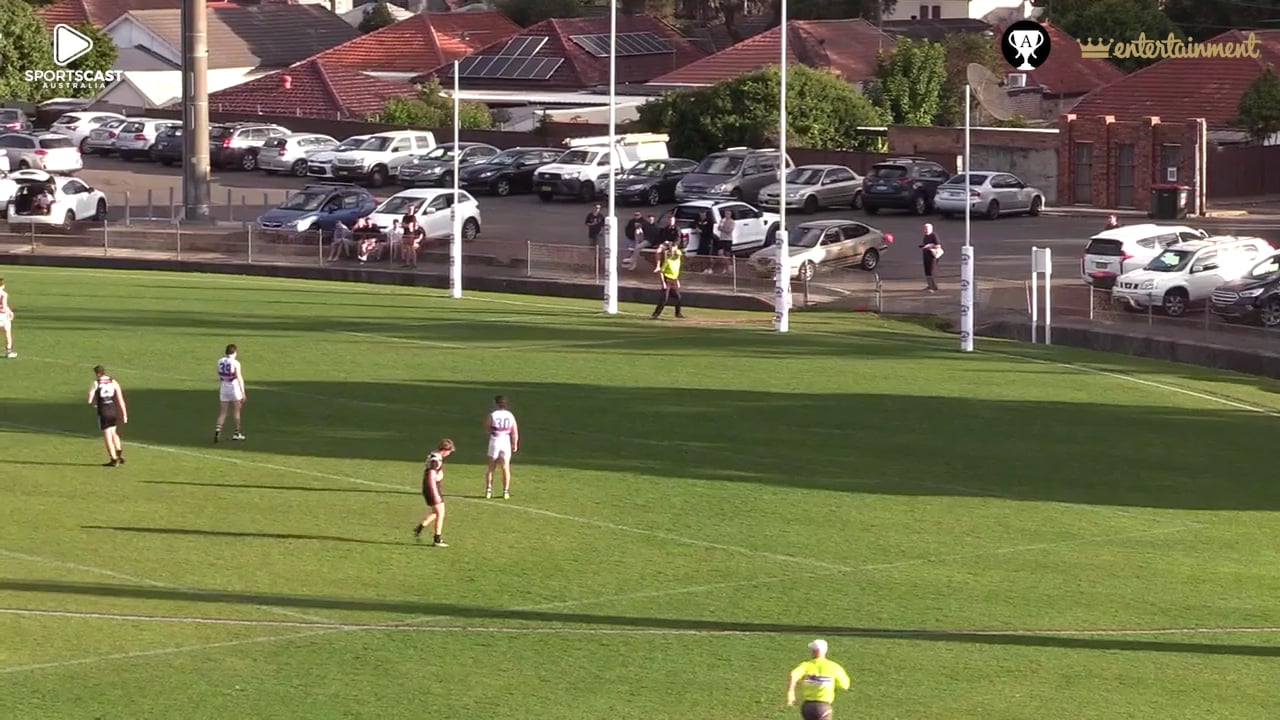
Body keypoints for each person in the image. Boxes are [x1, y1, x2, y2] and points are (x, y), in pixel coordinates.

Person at [786, 639, 852, 720]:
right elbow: (845, 685)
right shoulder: (834, 667)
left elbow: (793, 675)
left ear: (812, 651)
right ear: (826, 651)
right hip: (823, 707)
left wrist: (791, 691)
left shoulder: (806, 665)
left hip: (807, 707)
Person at [414, 438, 455, 547]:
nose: (449, 454)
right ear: (445, 450)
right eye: (449, 451)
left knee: (436, 511)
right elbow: (431, 476)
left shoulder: (434, 455)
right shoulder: (435, 461)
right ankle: (437, 539)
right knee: (441, 513)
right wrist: (435, 492)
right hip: (432, 488)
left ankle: (420, 527)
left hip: (432, 488)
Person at [87, 365, 128, 467]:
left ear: (97, 373)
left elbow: (89, 400)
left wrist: (94, 402)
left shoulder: (96, 383)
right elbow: (120, 399)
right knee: (114, 432)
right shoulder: (113, 382)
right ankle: (119, 453)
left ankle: (113, 459)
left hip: (104, 411)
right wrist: (124, 414)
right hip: (113, 410)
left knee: (107, 436)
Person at [483, 395, 519, 500]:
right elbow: (514, 431)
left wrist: (491, 431)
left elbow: (486, 427)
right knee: (505, 467)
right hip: (505, 441)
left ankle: (488, 490)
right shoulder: (510, 415)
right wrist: (514, 444)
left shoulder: (493, 415)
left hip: (495, 440)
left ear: (496, 403)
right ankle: (505, 491)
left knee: (491, 467)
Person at [214, 343, 246, 443]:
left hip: (224, 388)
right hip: (234, 388)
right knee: (236, 412)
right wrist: (243, 392)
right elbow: (239, 378)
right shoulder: (236, 363)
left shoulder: (220, 361)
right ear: (235, 352)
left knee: (223, 412)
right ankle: (236, 433)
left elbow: (220, 374)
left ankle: (217, 430)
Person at [651, 239, 685, 319]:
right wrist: (663, 283)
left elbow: (678, 252)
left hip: (674, 280)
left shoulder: (678, 259)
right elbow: (661, 272)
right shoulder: (668, 261)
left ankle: (678, 313)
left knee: (678, 297)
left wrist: (677, 280)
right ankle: (656, 314)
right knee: (664, 298)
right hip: (667, 280)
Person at [920, 222, 942, 293]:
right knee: (927, 271)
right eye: (924, 228)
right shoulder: (925, 236)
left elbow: (938, 246)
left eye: (927, 229)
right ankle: (929, 285)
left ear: (931, 229)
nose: (925, 230)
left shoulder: (933, 235)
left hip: (932, 256)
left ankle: (934, 287)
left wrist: (930, 245)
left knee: (932, 271)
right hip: (926, 255)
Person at [0, 277, 15, 358]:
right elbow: (4, 305)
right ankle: (8, 352)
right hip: (2, 316)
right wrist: (10, 312)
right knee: (7, 333)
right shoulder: (4, 294)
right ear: (3, 285)